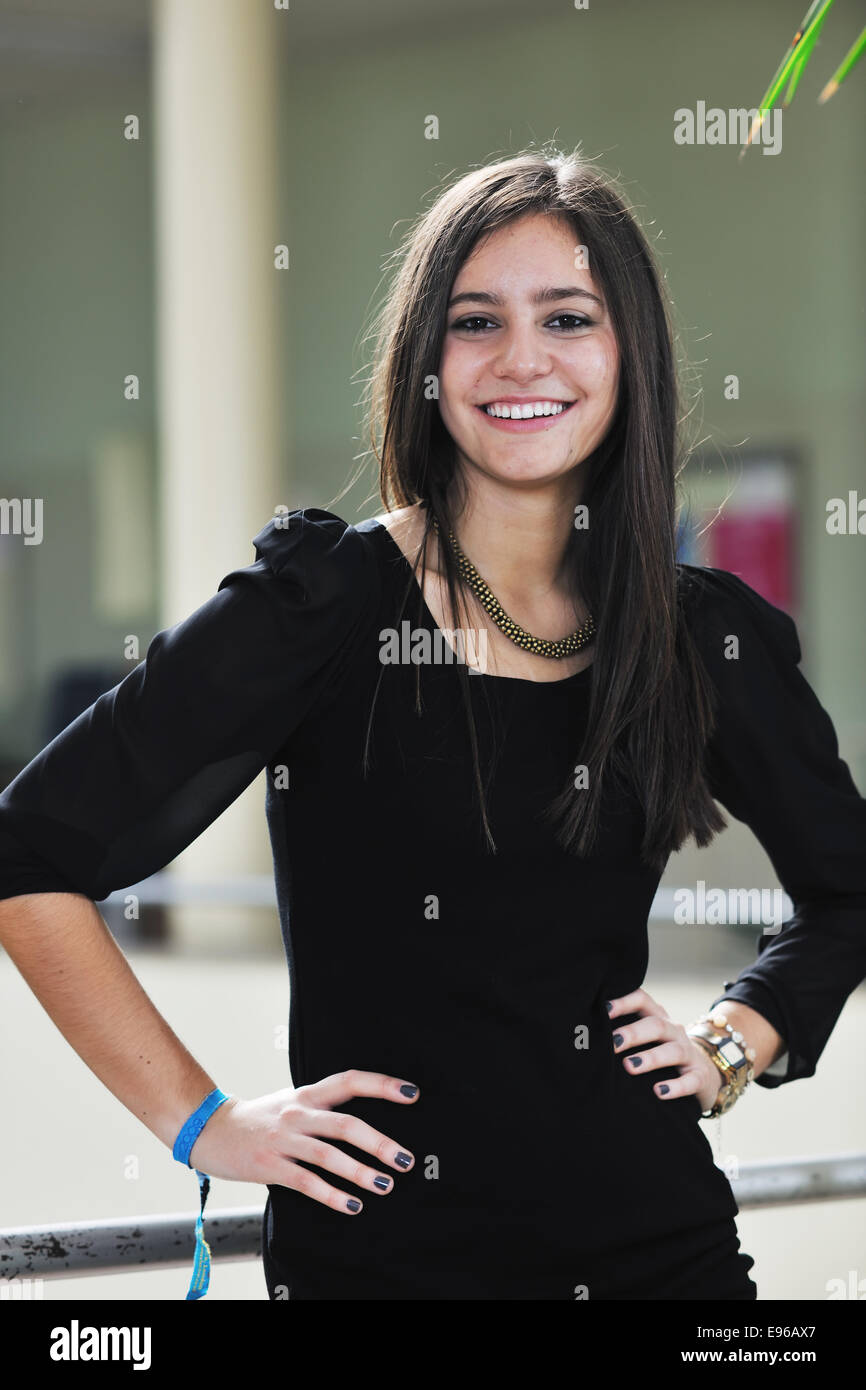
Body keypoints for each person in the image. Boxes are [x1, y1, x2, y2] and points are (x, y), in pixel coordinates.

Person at [1, 148, 864, 1302]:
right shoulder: (316, 606)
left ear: (627, 356)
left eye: (566, 317)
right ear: (424, 360)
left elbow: (848, 883)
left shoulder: (693, 634)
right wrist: (201, 1119)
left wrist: (735, 1038)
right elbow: (29, 854)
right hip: (380, 1262)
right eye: (474, 321)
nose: (521, 359)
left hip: (657, 1256)